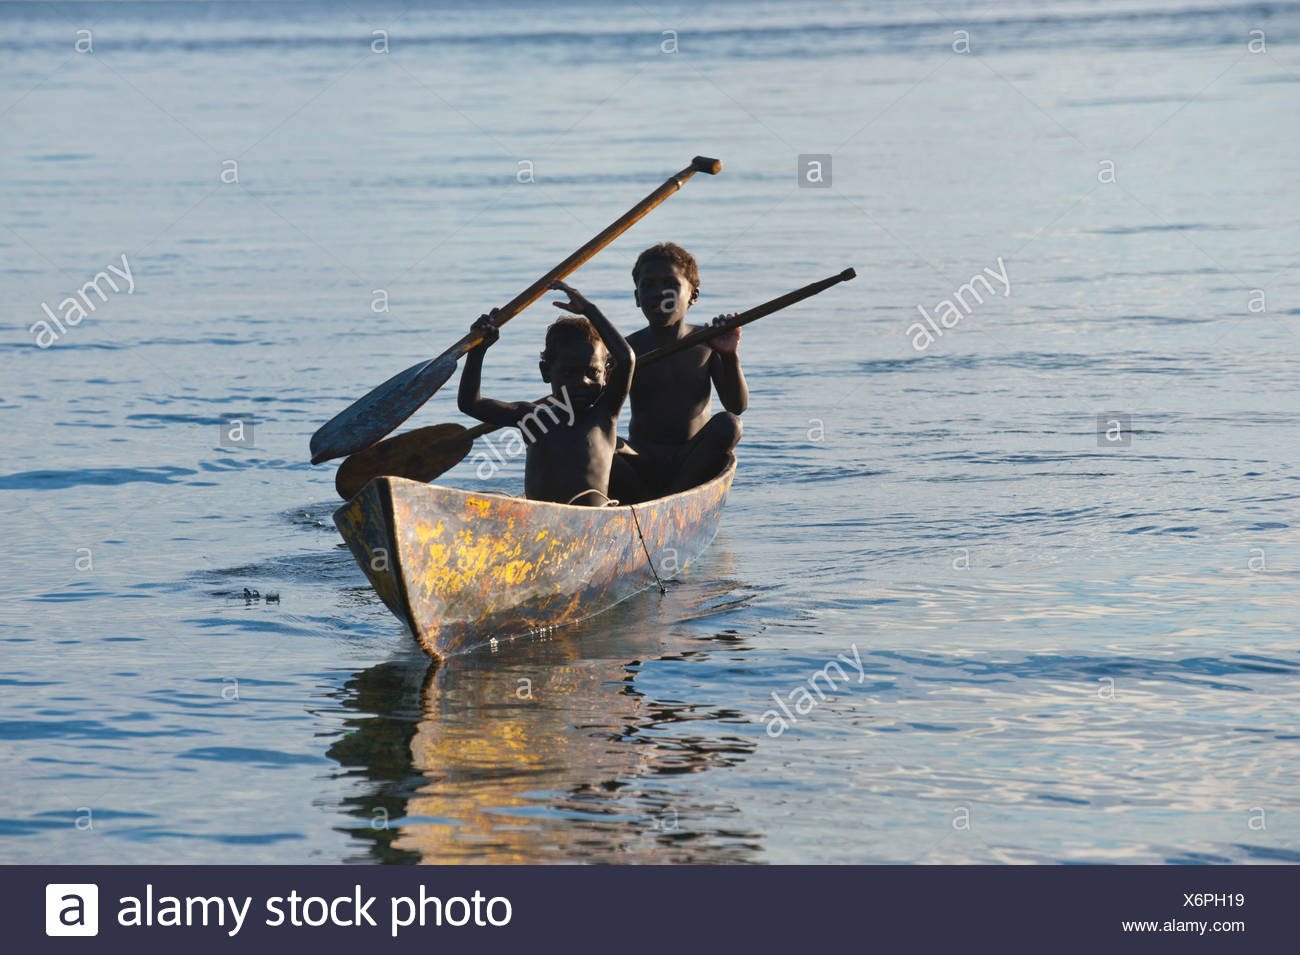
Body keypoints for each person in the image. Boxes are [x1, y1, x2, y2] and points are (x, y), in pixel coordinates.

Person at [457, 280, 634, 506]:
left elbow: (627, 359)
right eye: (568, 372)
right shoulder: (532, 418)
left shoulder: (604, 415)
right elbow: (470, 403)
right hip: (540, 522)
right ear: (546, 372)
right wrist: (478, 350)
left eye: (593, 373)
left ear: (606, 374)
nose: (582, 381)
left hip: (594, 521)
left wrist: (589, 309)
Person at [613, 242, 746, 501]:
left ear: (693, 295)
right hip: (641, 458)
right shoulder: (626, 350)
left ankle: (671, 496)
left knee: (729, 424)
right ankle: (651, 497)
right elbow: (599, 411)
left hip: (693, 458)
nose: (658, 293)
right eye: (648, 285)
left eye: (670, 284)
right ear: (637, 298)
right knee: (598, 441)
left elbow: (737, 405)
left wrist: (729, 356)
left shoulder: (708, 342)